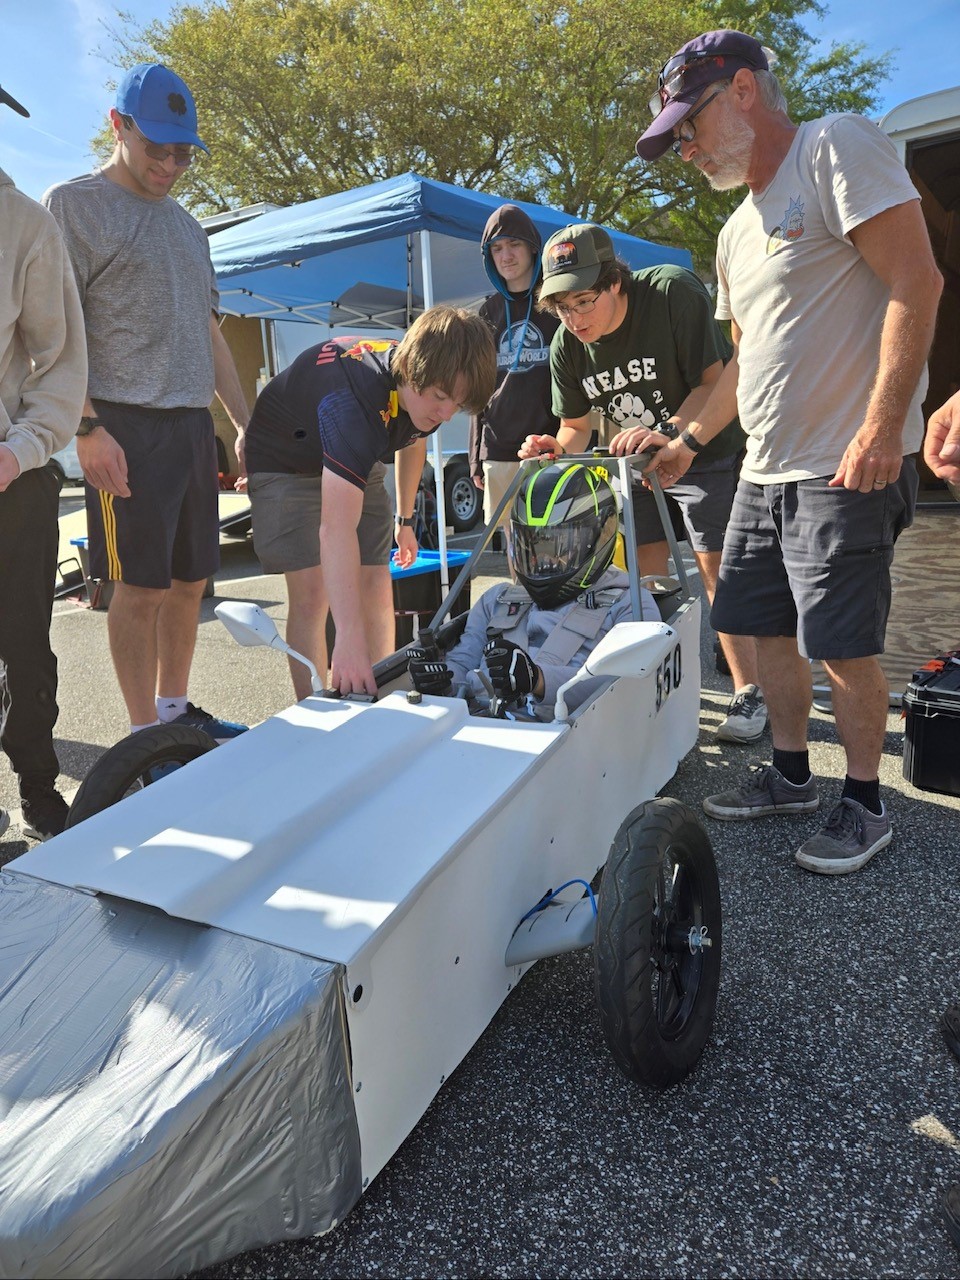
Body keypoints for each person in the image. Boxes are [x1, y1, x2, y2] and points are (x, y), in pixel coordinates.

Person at [636, 29, 943, 874]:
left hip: (843, 462)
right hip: (763, 469)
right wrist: (689, 440)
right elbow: (744, 360)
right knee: (757, 626)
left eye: (688, 127)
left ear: (742, 92)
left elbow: (918, 281)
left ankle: (865, 802)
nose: (686, 149)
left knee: (841, 645)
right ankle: (790, 774)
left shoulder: (833, 145)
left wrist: (882, 429)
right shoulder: (736, 230)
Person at [43, 64, 251, 744]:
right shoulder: (73, 207)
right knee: (139, 590)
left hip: (192, 425)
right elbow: (53, 328)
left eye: (182, 151)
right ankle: (141, 741)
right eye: (157, 147)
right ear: (118, 126)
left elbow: (210, 330)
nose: (170, 163)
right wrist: (86, 427)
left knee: (191, 581)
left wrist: (245, 422)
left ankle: (172, 713)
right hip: (121, 424)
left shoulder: (192, 230)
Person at [519, 221, 766, 743]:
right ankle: (652, 682)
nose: (575, 318)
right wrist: (554, 448)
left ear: (615, 282)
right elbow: (576, 425)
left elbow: (714, 380)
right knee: (642, 577)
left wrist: (672, 438)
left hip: (708, 448)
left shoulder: (673, 292)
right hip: (637, 462)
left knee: (718, 568)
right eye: (562, 307)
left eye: (584, 301)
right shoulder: (567, 343)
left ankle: (750, 692)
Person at [243, 307, 496, 699]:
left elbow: (415, 439)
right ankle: (314, 705)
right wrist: (346, 636)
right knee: (313, 593)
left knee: (377, 578)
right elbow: (336, 528)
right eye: (440, 398)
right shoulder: (354, 405)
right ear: (410, 369)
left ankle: (378, 691)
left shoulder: (421, 385)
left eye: (456, 403)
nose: (446, 413)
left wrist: (406, 519)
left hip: (355, 451)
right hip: (284, 462)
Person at [0, 80, 87, 842]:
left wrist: (18, 450)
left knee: (24, 646)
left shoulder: (27, 227)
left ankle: (36, 784)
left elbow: (59, 363)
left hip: (10, 486)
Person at [408, 462, 659, 719]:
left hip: (568, 739)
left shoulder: (629, 603)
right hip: (478, 729)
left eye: (559, 546)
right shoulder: (497, 599)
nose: (544, 559)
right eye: (533, 545)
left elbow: (625, 683)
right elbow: (462, 660)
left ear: (598, 538)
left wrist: (538, 679)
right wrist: (441, 681)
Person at [468, 204, 560, 565]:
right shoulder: (487, 312)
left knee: (557, 542)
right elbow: (477, 389)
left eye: (514, 245)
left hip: (551, 444)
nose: (505, 255)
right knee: (515, 548)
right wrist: (476, 455)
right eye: (497, 248)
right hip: (499, 446)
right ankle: (523, 615)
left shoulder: (556, 300)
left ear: (533, 247)